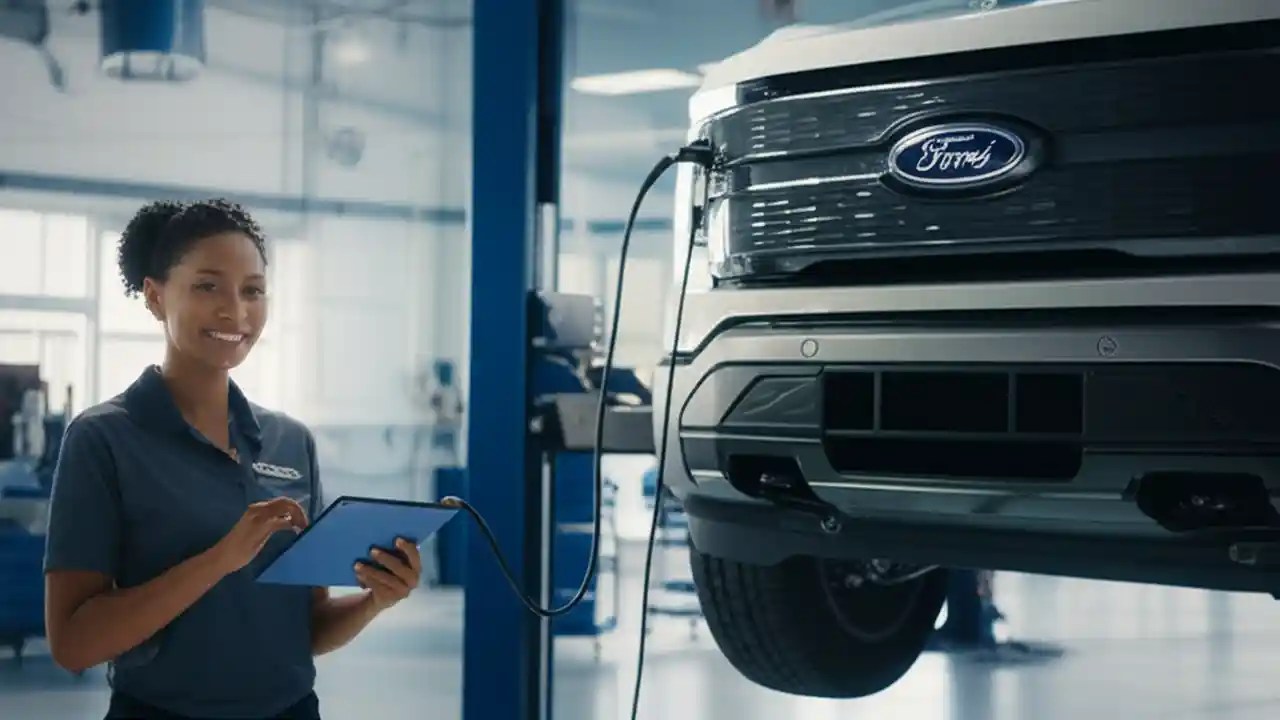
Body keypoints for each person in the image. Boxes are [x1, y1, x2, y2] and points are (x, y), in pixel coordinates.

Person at [43, 199, 423, 719]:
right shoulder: (103, 439)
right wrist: (221, 559)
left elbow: (306, 628)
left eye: (253, 291)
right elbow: (72, 644)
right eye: (207, 286)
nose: (235, 311)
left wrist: (375, 600)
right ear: (155, 297)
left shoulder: (290, 441)